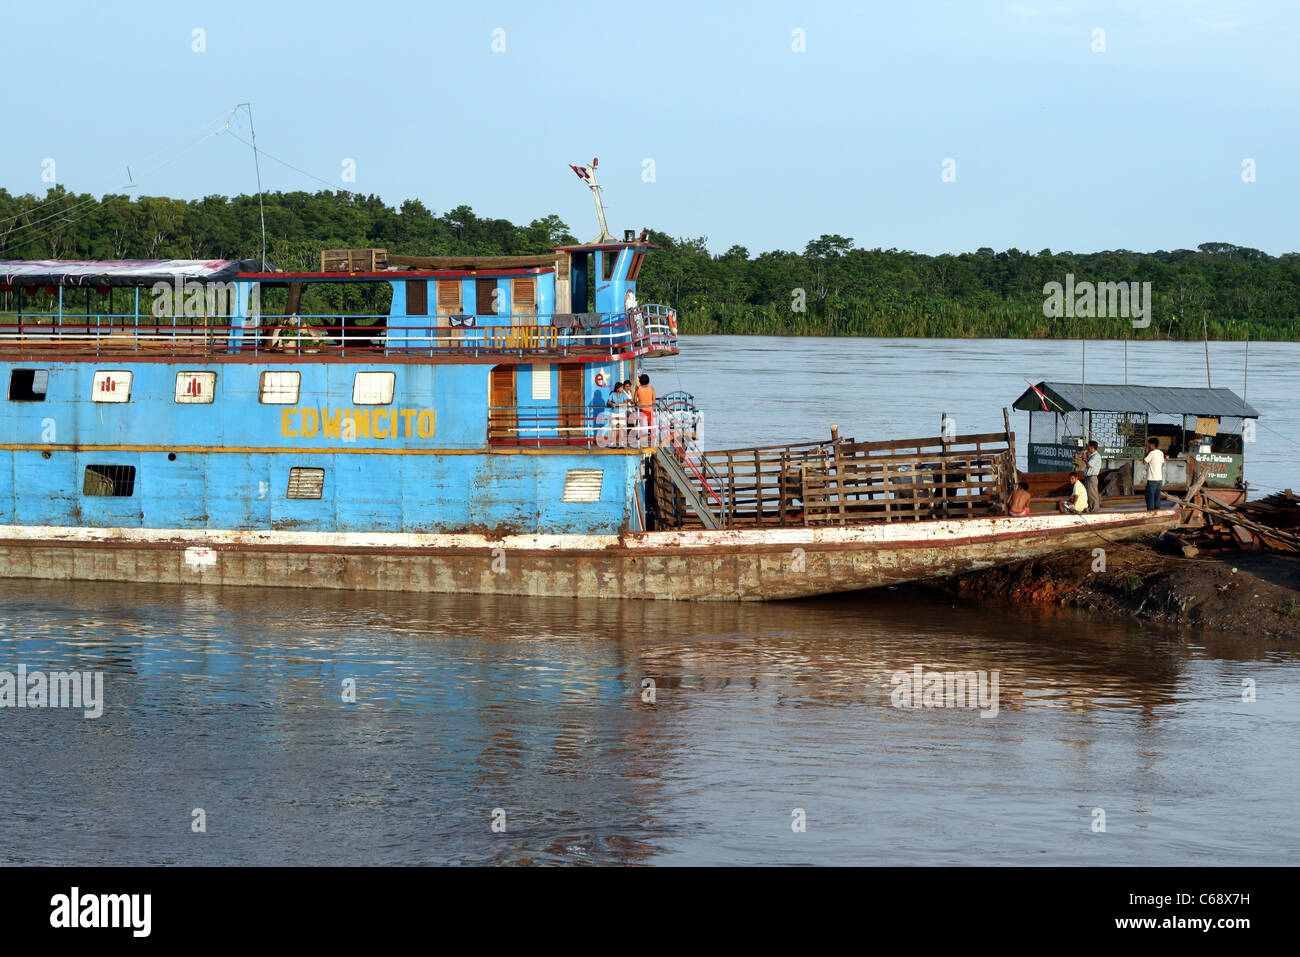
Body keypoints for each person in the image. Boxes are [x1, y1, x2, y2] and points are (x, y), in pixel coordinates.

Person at [633, 373, 655, 445]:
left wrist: (636, 403)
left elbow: (634, 399)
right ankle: (652, 437)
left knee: (639, 423)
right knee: (650, 423)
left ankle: (638, 436)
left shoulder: (638, 388)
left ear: (640, 381)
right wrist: (653, 408)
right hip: (649, 408)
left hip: (640, 409)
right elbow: (653, 400)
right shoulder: (651, 388)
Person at [1143, 438, 1165, 511]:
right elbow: (1162, 464)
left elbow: (1144, 462)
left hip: (1152, 478)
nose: (1148, 445)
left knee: (1150, 496)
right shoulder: (1161, 453)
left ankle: (1151, 512)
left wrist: (1146, 452)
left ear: (1152, 445)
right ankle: (1157, 510)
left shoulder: (1151, 453)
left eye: (1149, 444)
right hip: (1159, 478)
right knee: (1157, 496)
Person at [606, 380, 627, 448]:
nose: (622, 389)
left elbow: (625, 403)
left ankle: (621, 444)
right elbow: (608, 402)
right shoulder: (612, 394)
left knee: (621, 428)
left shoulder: (623, 394)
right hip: (614, 413)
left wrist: (617, 404)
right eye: (621, 387)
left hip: (621, 413)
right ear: (617, 388)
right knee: (613, 428)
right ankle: (612, 444)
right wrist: (611, 404)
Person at [1084, 440, 1103, 513]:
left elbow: (1089, 465)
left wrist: (1084, 459)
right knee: (1089, 494)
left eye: (1088, 446)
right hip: (1089, 477)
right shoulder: (1092, 456)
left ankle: (1095, 510)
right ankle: (1091, 509)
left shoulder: (1096, 456)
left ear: (1091, 447)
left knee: (1093, 494)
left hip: (1092, 478)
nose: (1087, 448)